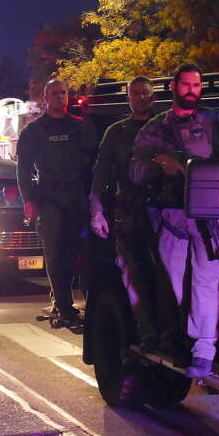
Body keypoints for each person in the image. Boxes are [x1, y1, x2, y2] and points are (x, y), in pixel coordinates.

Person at [131, 63, 219, 378]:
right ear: (173, 87)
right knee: (174, 284)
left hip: (209, 214)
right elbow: (136, 172)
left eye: (197, 85)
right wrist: (159, 162)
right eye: (186, 85)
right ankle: (180, 340)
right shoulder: (155, 127)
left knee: (206, 282)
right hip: (172, 215)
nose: (192, 90)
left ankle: (204, 350)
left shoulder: (211, 120)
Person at [88, 76, 170, 351]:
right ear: (128, 98)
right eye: (135, 93)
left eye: (145, 93)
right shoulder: (116, 132)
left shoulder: (166, 127)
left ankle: (170, 333)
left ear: (154, 97)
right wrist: (96, 210)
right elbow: (100, 173)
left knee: (166, 275)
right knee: (133, 274)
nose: (140, 97)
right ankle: (147, 333)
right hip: (128, 211)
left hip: (163, 212)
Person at [16, 79, 99, 327]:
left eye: (63, 93)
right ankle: (63, 305)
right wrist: (28, 200)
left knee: (75, 253)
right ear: (45, 97)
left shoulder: (81, 127)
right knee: (54, 254)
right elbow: (23, 168)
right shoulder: (34, 131)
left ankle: (64, 299)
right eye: (54, 93)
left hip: (77, 198)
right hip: (49, 199)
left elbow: (94, 163)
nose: (60, 96)